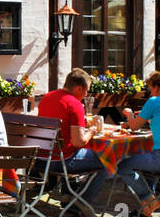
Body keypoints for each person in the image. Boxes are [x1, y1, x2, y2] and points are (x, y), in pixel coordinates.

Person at [114, 71, 160, 217]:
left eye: (151, 88)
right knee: (146, 165)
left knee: (122, 166)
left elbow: (133, 126)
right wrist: (148, 117)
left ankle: (150, 199)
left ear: (157, 88)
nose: (150, 92)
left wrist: (129, 114)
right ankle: (146, 209)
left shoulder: (154, 101)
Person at [34, 68, 106, 207]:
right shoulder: (74, 104)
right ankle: (81, 201)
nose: (86, 95)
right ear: (79, 88)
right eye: (86, 91)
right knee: (108, 160)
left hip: (41, 159)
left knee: (73, 151)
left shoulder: (47, 97)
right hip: (61, 161)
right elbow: (78, 142)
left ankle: (68, 194)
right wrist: (91, 131)